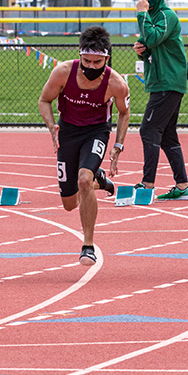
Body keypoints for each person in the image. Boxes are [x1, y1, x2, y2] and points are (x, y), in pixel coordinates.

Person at [38, 26, 129, 266]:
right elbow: (44, 100)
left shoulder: (116, 83)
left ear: (106, 58)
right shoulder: (63, 72)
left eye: (97, 62)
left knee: (82, 180)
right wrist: (51, 127)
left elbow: (123, 113)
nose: (90, 66)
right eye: (86, 60)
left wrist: (118, 145)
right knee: (69, 203)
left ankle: (87, 246)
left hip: (96, 132)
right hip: (67, 131)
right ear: (79, 55)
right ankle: (99, 181)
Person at [133, 0, 188, 201]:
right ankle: (183, 185)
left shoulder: (166, 16)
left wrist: (141, 15)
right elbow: (150, 45)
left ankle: (147, 184)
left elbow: (155, 37)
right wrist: (142, 50)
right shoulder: (151, 16)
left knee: (148, 130)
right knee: (168, 135)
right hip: (160, 80)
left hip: (168, 81)